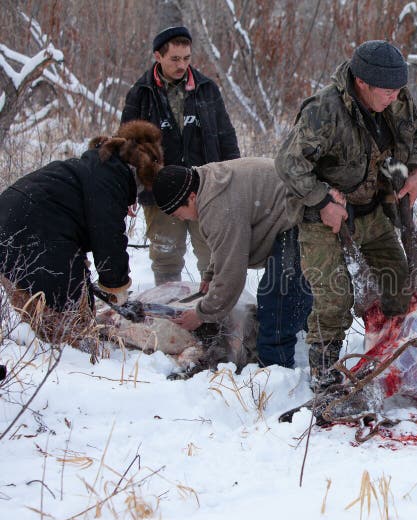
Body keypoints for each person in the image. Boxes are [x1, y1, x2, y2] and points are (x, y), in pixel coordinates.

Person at [275, 40, 417, 388]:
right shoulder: (324, 111)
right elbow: (288, 162)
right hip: (322, 217)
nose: (394, 97)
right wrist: (321, 201)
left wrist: (416, 170)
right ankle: (324, 378)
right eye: (387, 91)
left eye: (398, 89)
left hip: (372, 210)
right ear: (362, 83)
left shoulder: (397, 99)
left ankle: (391, 358)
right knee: (335, 298)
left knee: (399, 282)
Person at [0, 120, 163, 351]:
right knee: (76, 332)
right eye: (139, 188)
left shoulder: (97, 166)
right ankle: (74, 365)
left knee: (41, 320)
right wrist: (116, 289)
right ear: (137, 174)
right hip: (35, 237)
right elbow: (109, 242)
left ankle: (45, 348)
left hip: (8, 229)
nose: (136, 198)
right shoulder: (110, 181)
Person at [152, 159, 312, 368]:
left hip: (299, 217)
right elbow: (224, 246)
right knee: (290, 292)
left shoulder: (217, 205)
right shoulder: (203, 180)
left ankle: (275, 371)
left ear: (191, 197)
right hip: (289, 212)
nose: (181, 219)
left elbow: (232, 276)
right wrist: (211, 273)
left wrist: (201, 314)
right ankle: (307, 339)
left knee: (276, 296)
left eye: (177, 213)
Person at [122, 25, 240, 286]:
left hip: (206, 189)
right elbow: (126, 147)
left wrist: (234, 178)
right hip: (158, 191)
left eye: (186, 58)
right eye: (175, 59)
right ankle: (170, 314)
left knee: (212, 255)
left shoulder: (207, 88)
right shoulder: (141, 93)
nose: (182, 65)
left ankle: (215, 316)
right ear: (158, 56)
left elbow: (226, 137)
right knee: (166, 256)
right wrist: (127, 189)